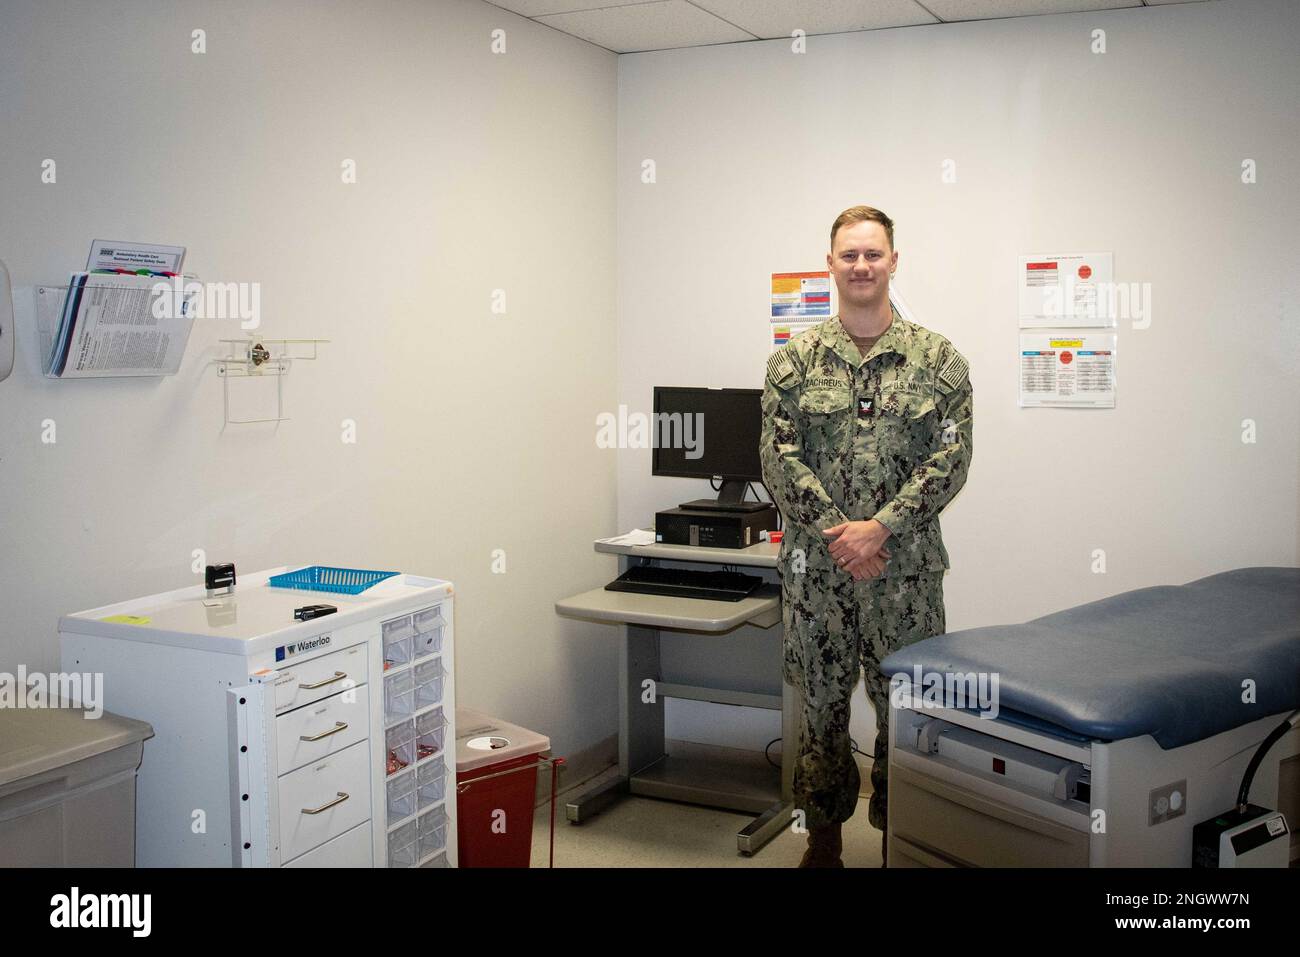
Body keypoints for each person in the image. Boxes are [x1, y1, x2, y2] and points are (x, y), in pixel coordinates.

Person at [759, 205, 973, 867]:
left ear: (893, 262)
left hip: (903, 576)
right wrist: (838, 534)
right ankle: (821, 845)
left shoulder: (938, 361)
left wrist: (879, 527)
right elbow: (777, 459)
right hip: (819, 578)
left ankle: (898, 843)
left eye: (873, 254)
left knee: (906, 718)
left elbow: (952, 459)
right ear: (831, 263)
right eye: (849, 254)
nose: (861, 266)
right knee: (820, 717)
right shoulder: (791, 364)